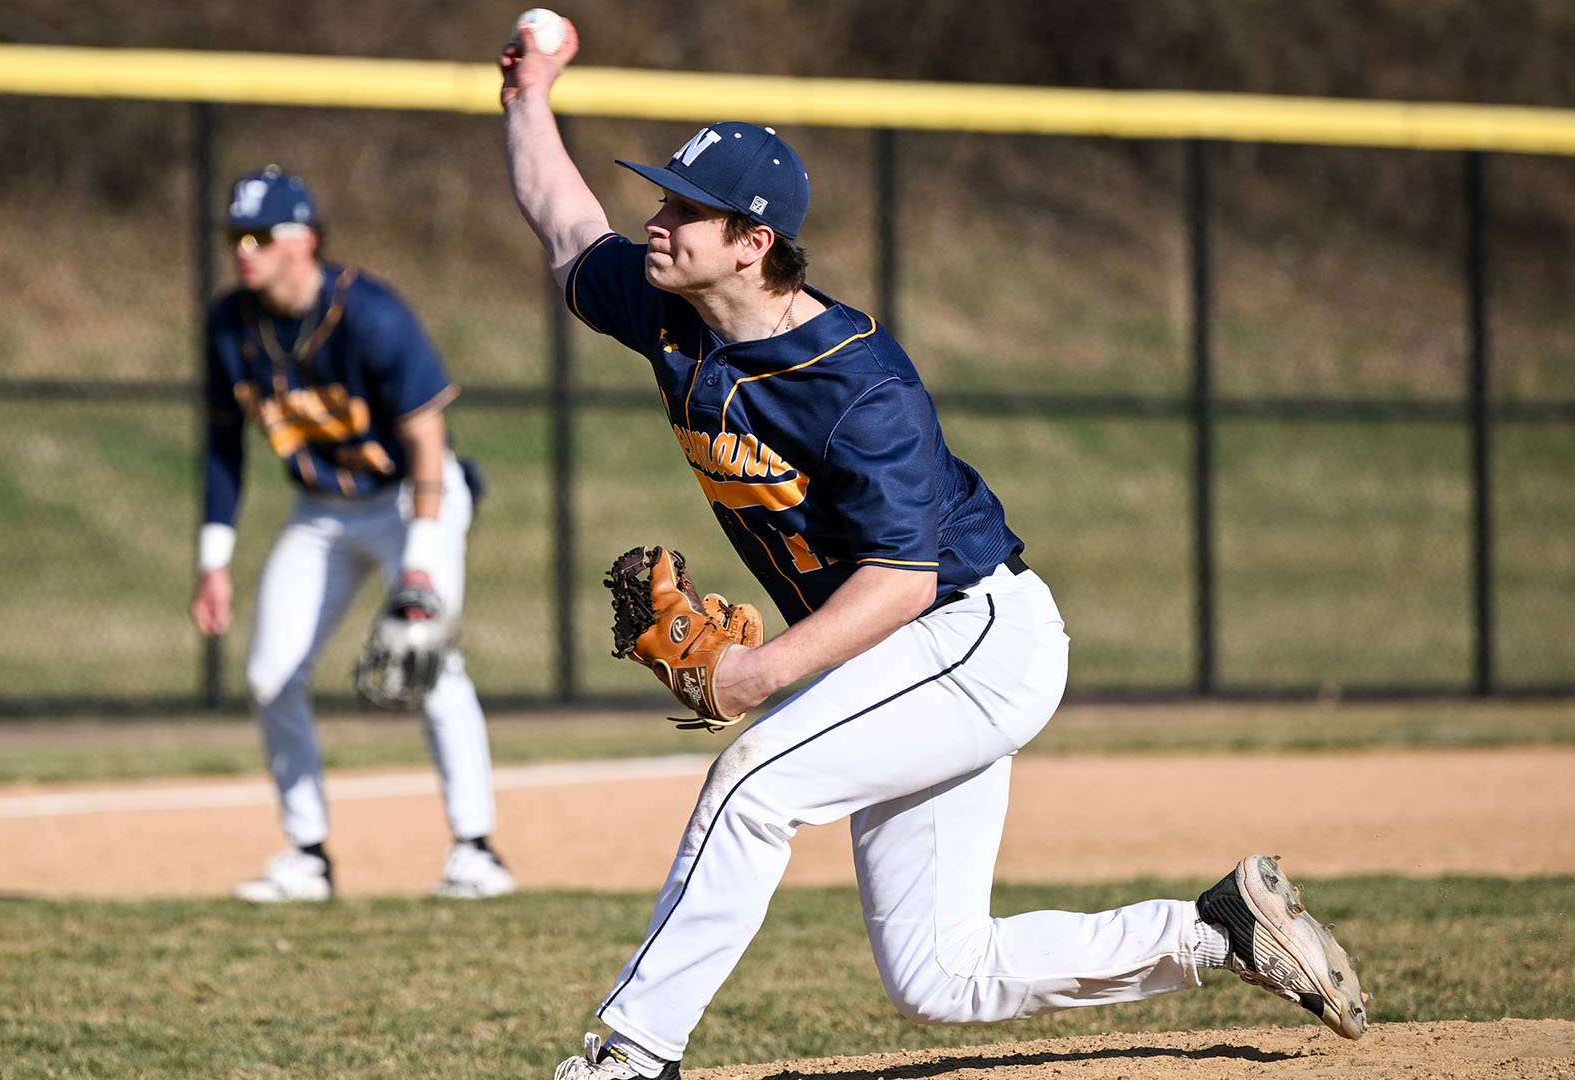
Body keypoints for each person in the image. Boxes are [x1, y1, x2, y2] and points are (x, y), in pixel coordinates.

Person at [499, 21, 1367, 1080]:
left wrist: (758, 674)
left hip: (973, 635)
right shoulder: (669, 311)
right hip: (904, 655)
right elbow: (561, 223)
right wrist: (528, 93)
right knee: (940, 976)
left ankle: (628, 1056)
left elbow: (905, 579)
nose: (656, 221)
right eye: (663, 199)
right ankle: (1217, 934)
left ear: (752, 242)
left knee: (751, 784)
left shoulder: (860, 385)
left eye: (685, 209)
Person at [193, 165, 515, 903]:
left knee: (427, 660)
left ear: (303, 240)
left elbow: (429, 442)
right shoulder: (229, 325)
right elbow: (221, 446)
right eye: (234, 235)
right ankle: (308, 854)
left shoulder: (368, 313)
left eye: (259, 235)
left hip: (414, 500)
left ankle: (477, 850)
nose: (243, 249)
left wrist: (423, 568)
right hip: (323, 511)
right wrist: (214, 561)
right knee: (270, 676)